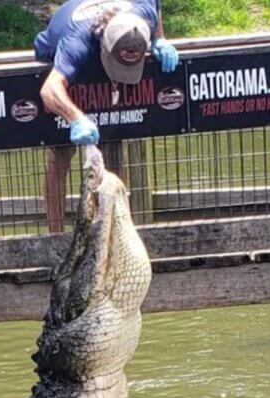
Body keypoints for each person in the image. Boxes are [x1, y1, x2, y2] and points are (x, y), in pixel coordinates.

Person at [34, 0, 179, 232]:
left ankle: (111, 232)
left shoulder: (143, 13)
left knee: (113, 149)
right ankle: (56, 237)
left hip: (105, 50)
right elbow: (49, 89)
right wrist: (76, 118)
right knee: (59, 157)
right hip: (64, 61)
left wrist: (160, 38)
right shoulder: (76, 43)